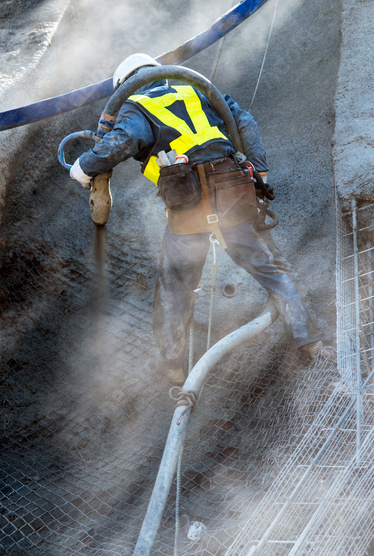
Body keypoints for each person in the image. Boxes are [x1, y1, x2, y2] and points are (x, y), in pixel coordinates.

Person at [69, 53, 322, 382]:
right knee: (271, 269)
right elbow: (244, 121)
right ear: (157, 72)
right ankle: (308, 340)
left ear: (123, 86)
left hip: (188, 203)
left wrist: (83, 167)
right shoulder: (197, 89)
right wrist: (258, 170)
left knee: (175, 284)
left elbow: (124, 140)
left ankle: (174, 367)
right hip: (233, 189)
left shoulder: (135, 104)